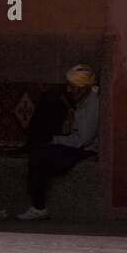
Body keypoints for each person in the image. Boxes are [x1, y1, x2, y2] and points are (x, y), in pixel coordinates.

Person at [16, 65, 99, 221]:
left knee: (40, 156)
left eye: (73, 87)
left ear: (83, 89)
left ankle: (39, 207)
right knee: (48, 102)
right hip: (73, 141)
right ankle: (33, 143)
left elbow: (81, 141)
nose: (69, 90)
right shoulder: (83, 99)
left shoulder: (93, 106)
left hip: (84, 148)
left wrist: (54, 140)